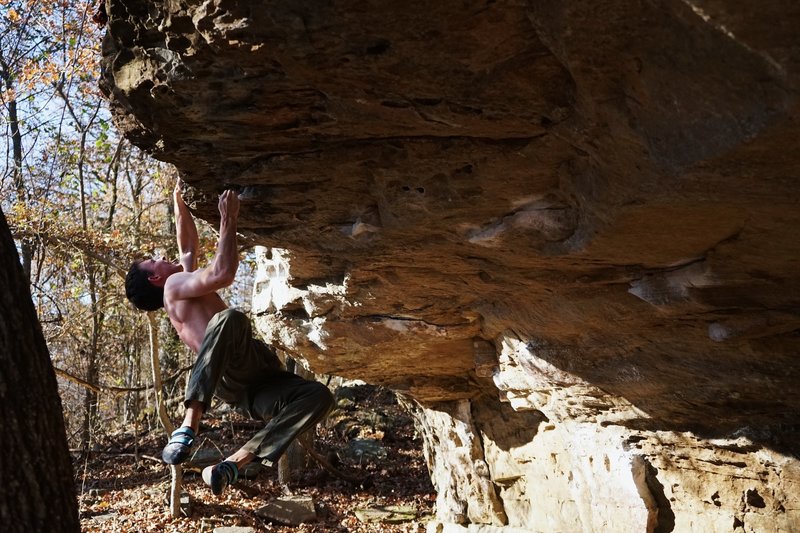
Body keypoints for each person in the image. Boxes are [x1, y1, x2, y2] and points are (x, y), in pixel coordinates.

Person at [125, 181, 334, 496]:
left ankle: (234, 463)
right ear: (155, 278)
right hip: (233, 367)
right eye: (155, 261)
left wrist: (178, 199)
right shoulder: (173, 286)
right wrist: (228, 219)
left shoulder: (180, 289)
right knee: (230, 318)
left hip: (251, 385)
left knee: (319, 396)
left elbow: (187, 249)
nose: (162, 257)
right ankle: (189, 424)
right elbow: (223, 273)